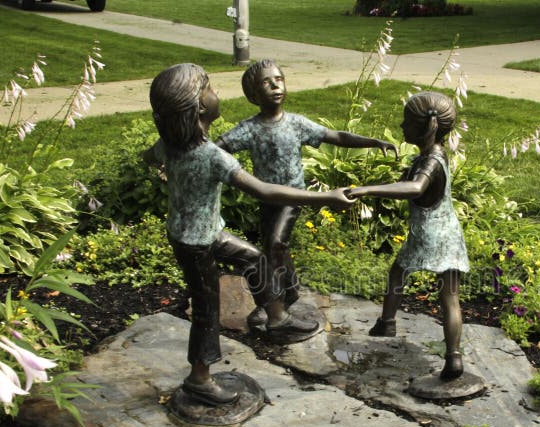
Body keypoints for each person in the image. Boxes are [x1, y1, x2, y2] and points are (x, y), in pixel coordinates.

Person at [147, 63, 354, 406]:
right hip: (196, 245)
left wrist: (160, 171)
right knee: (206, 309)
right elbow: (266, 191)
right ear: (199, 107)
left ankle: (277, 318)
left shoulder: (168, 144)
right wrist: (326, 197)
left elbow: (149, 157)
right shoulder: (211, 156)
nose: (215, 94)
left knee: (255, 259)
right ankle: (199, 379)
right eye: (209, 88)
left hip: (202, 234)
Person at [215, 59, 397, 338]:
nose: (276, 85)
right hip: (267, 200)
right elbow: (219, 148)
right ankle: (287, 294)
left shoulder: (296, 124)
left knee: (276, 243)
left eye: (279, 78)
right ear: (252, 95)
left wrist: (373, 142)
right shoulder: (249, 128)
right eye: (267, 82)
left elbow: (335, 136)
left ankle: (282, 301)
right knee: (274, 249)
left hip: (294, 197)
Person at [347, 91, 469, 381]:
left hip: (429, 233)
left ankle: (387, 322)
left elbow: (415, 189)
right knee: (447, 295)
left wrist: (367, 189)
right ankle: (453, 357)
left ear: (425, 127)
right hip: (448, 233)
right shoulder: (432, 155)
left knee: (401, 274)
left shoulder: (431, 161)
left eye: (406, 122)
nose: (402, 127)